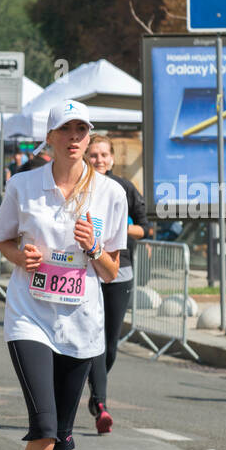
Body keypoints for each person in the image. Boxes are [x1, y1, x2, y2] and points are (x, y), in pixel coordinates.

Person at [0, 99, 126, 450]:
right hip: (29, 318)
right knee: (44, 426)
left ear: (89, 138)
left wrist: (92, 248)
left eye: (82, 130)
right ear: (49, 137)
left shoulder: (109, 193)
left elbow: (111, 271)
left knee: (65, 435)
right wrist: (20, 258)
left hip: (82, 324)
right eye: (65, 129)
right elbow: (4, 239)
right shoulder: (24, 185)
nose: (74, 137)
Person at [84, 134, 151, 433]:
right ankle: (100, 404)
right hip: (85, 274)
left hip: (119, 271)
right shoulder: (80, 187)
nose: (99, 160)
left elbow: (146, 228)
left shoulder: (123, 188)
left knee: (109, 345)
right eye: (93, 155)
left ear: (112, 158)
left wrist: (123, 228)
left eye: (103, 155)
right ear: (85, 158)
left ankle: (93, 388)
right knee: (92, 336)